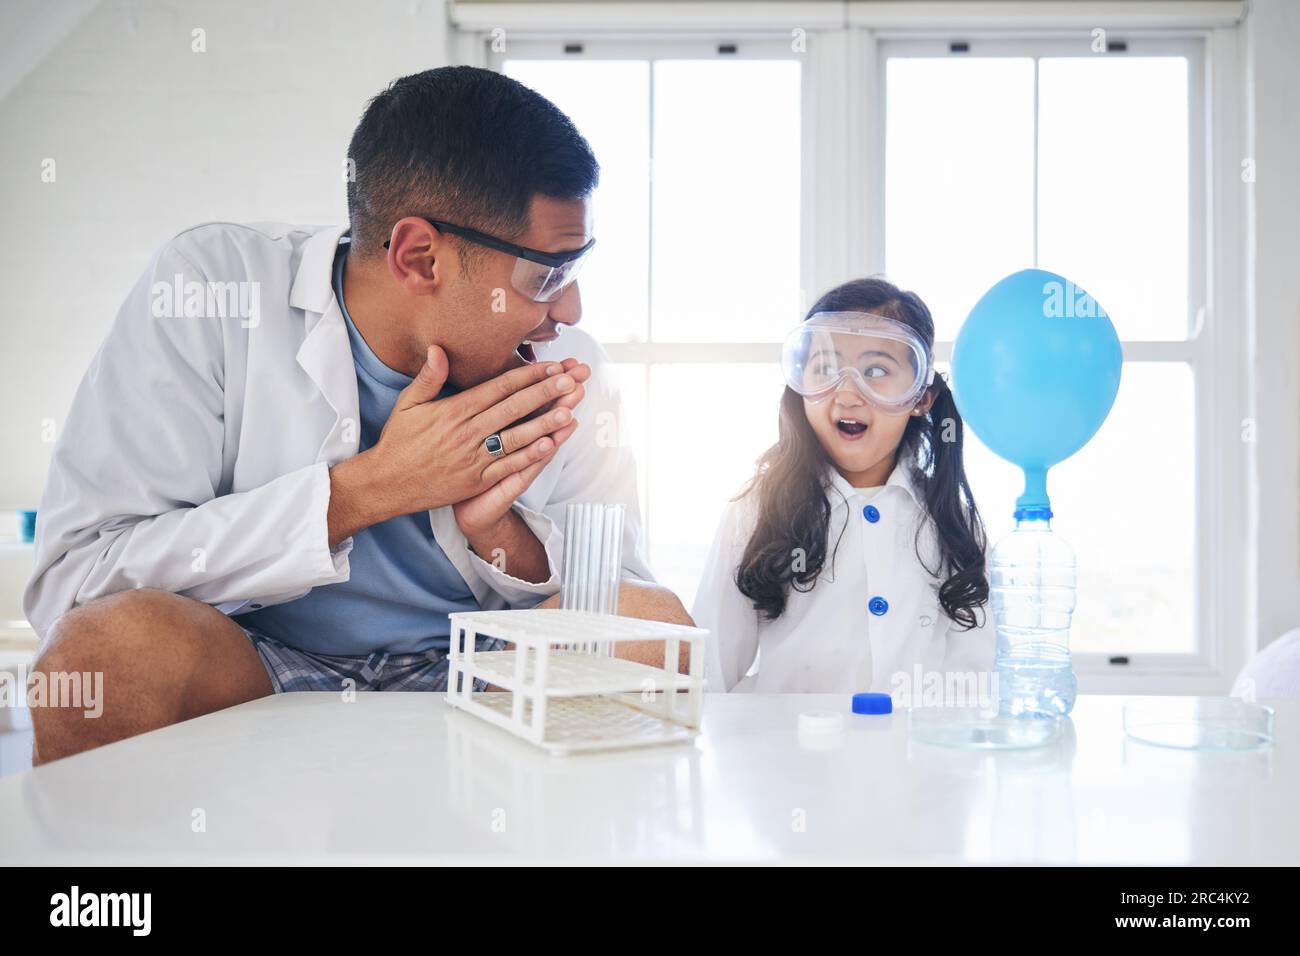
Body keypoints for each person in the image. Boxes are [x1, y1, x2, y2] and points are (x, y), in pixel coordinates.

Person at [25, 66, 689, 764]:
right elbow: (75, 586)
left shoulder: (568, 366)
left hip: (478, 673)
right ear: (419, 257)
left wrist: (499, 534)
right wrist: (371, 488)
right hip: (259, 670)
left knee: (648, 630)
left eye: (576, 268)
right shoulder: (213, 290)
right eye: (547, 275)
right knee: (102, 656)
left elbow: (612, 593)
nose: (572, 311)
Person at [691, 278, 994, 695]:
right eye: (826, 369)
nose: (847, 393)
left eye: (876, 371)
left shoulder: (954, 524)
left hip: (915, 742)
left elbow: (973, 684)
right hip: (786, 740)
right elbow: (708, 677)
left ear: (921, 397)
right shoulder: (756, 512)